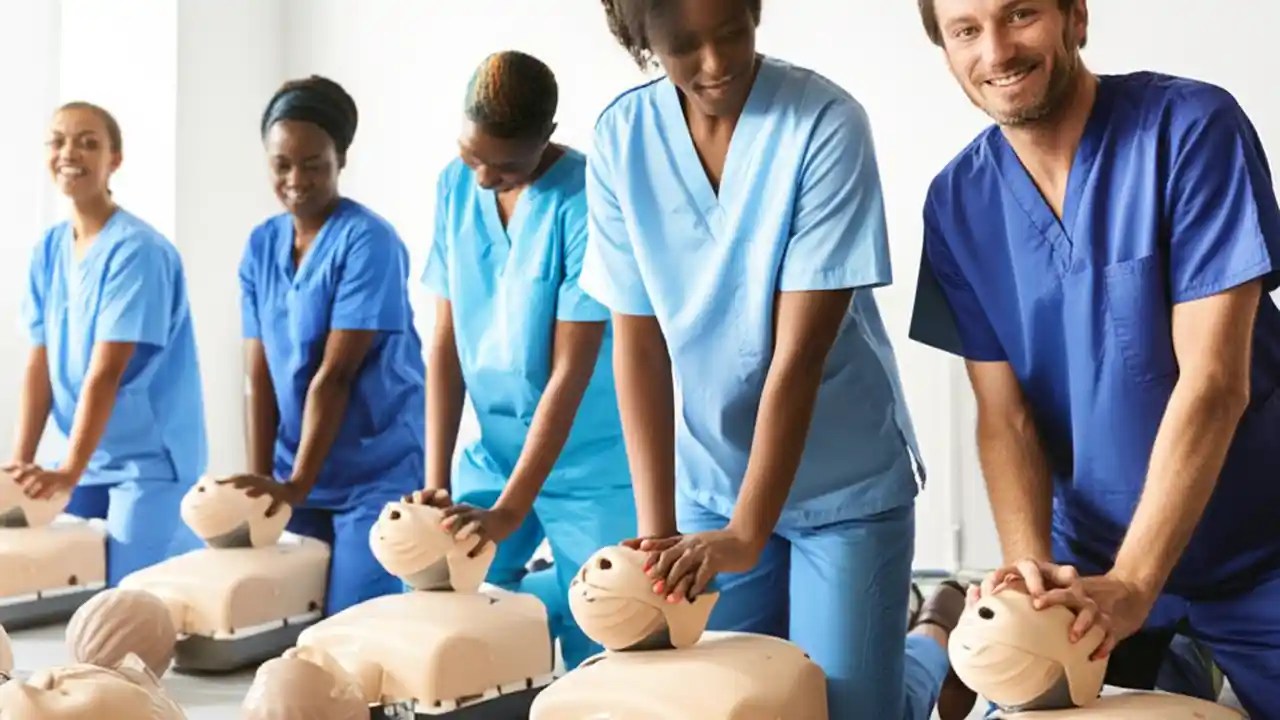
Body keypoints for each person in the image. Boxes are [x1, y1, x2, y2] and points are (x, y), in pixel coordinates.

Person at [582, 1, 976, 717]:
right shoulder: (622, 137)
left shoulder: (824, 124)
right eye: (683, 46)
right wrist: (657, 533)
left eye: (732, 33)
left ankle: (935, 634)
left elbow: (798, 357)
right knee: (734, 703)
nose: (715, 64)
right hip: (713, 480)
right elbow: (638, 343)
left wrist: (746, 535)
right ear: (643, 40)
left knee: (846, 710)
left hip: (842, 484)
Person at [908, 1, 1280, 716]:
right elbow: (1006, 418)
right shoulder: (958, 203)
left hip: (1256, 548)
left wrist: (1136, 583)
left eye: (1020, 13)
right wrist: (1030, 572)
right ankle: (1173, 662)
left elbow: (1213, 383)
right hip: (1089, 562)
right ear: (946, 50)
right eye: (966, 30)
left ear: (1075, 17)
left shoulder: (1191, 130)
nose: (997, 51)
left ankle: (1186, 658)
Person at [418, 50, 636, 670]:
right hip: (495, 450)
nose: (484, 178)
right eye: (472, 156)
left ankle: (556, 603)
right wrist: (436, 482)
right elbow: (445, 343)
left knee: (605, 625)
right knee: (441, 594)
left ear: (547, 137)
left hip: (590, 461)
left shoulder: (586, 200)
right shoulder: (454, 186)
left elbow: (571, 370)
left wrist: (511, 511)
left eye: (506, 164)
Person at [231, 75, 426, 616]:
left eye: (314, 163)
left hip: (375, 471)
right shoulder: (261, 244)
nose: (297, 179)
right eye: (282, 165)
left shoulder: (369, 241)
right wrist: (263, 485)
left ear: (341, 159)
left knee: (351, 620)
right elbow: (259, 374)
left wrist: (294, 485)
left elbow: (334, 376)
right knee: (277, 610)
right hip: (296, 465)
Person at [8, 102, 207, 586]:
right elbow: (40, 364)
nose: (69, 152)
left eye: (88, 143)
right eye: (58, 141)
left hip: (149, 463)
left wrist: (68, 472)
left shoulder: (137, 251)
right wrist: (20, 465)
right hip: (89, 455)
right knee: (43, 566)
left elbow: (106, 373)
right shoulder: (49, 250)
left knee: (126, 592)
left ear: (114, 159)